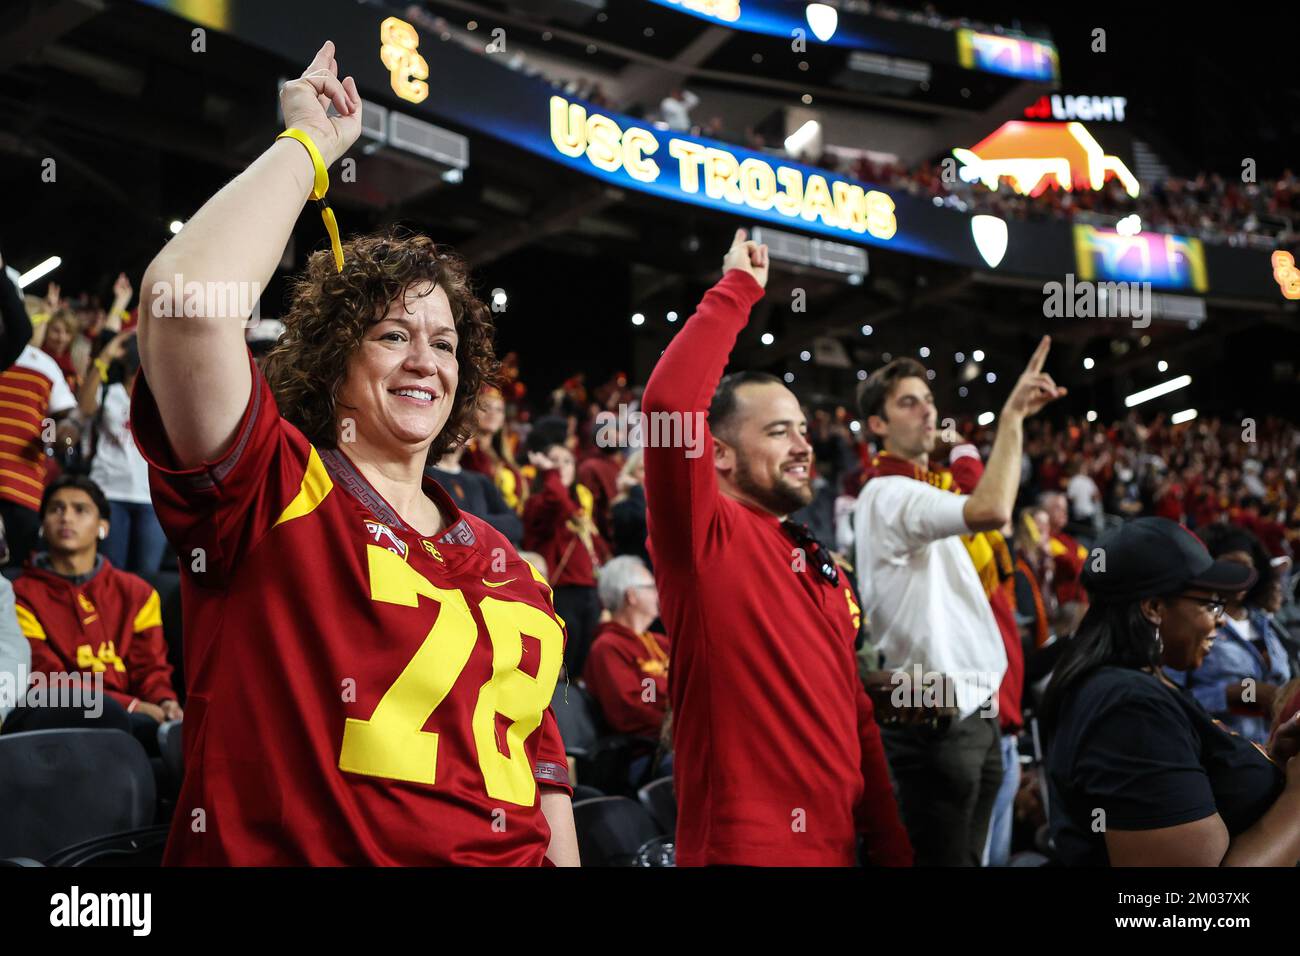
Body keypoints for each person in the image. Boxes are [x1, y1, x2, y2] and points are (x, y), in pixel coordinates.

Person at [132, 41, 576, 865]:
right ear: (335, 358)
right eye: (392, 335)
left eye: (445, 343)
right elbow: (187, 301)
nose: (425, 361)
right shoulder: (270, 488)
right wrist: (305, 149)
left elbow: (540, 777)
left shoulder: (509, 564)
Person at [642, 228, 911, 867]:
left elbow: (858, 720)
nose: (803, 445)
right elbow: (668, 405)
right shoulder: (703, 538)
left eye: (805, 430)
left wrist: (894, 845)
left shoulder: (823, 569)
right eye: (779, 431)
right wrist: (737, 291)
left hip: (840, 850)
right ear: (721, 454)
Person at [852, 342, 1064, 865]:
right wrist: (1011, 416)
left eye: (928, 398)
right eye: (907, 402)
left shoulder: (925, 491)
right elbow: (993, 508)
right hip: (936, 718)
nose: (927, 410)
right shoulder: (889, 494)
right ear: (876, 425)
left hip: (972, 709)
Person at [1043, 517, 1300, 866]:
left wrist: (1273, 762)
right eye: (1210, 605)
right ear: (1154, 608)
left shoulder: (1140, 686)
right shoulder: (1128, 709)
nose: (1221, 619)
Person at [11, 475, 179, 752]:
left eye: (80, 510)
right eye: (56, 509)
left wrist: (164, 702)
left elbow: (150, 667)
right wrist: (132, 706)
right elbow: (46, 678)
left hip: (134, 719)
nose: (66, 518)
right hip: (60, 717)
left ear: (103, 527)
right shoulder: (19, 594)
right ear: (43, 526)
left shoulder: (137, 592)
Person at [1167, 525, 1292, 745]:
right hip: (1220, 755)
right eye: (1231, 564)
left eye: (1247, 566)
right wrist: (1234, 693)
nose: (1240, 573)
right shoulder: (1191, 622)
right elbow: (1171, 701)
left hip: (1270, 755)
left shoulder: (1265, 624)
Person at [77, 329, 168, 574]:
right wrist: (106, 355)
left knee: (147, 576)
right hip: (109, 492)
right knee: (109, 571)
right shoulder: (110, 392)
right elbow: (84, 406)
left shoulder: (164, 396)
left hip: (151, 497)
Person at [523, 419, 608, 679]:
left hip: (588, 591)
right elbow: (559, 504)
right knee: (561, 669)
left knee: (582, 666)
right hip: (560, 591)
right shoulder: (540, 502)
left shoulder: (578, 505)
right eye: (555, 461)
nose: (562, 467)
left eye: (568, 461)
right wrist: (550, 477)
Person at [584, 555, 669, 740]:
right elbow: (629, 710)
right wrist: (676, 723)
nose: (658, 592)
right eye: (651, 587)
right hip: (649, 750)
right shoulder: (608, 647)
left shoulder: (660, 642)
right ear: (631, 596)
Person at [427, 441, 523, 545]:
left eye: (463, 427)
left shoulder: (479, 480)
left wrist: (474, 522)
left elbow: (515, 526)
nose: (457, 433)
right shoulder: (424, 475)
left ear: (470, 438)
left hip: (484, 552)